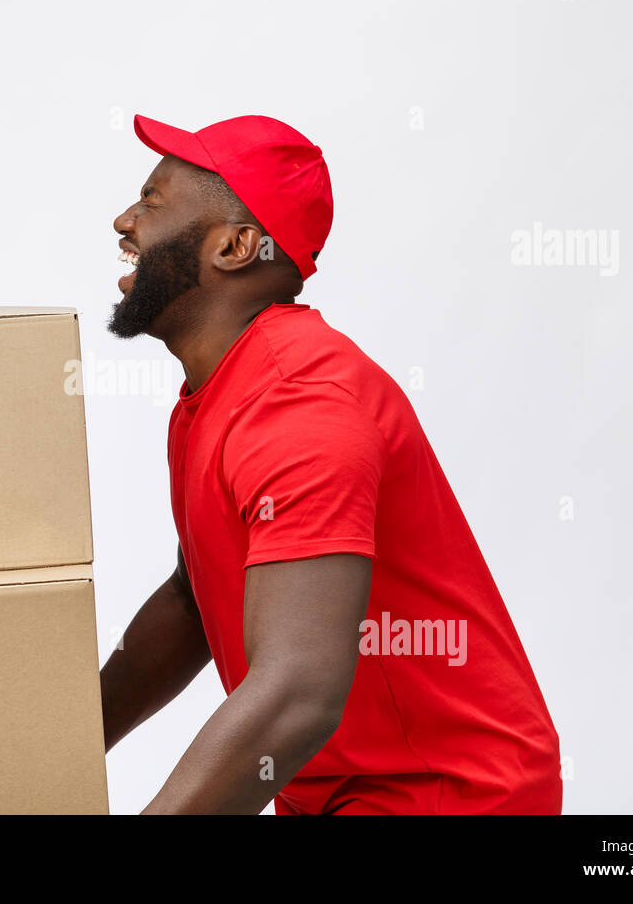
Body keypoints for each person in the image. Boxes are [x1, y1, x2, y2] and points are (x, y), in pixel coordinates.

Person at [100, 113, 562, 815]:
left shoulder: (300, 404)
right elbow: (194, 603)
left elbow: (299, 693)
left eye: (153, 200)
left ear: (233, 246)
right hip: (346, 795)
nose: (123, 220)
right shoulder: (216, 394)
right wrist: (49, 747)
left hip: (449, 799)